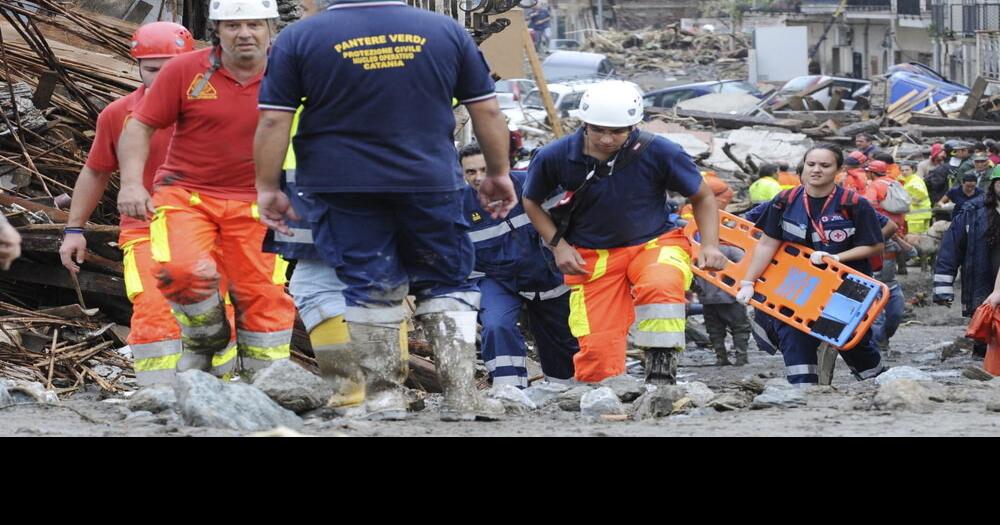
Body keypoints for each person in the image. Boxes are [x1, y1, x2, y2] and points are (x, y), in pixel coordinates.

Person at [253, 0, 514, 421]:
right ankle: (462, 396)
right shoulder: (445, 31)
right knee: (447, 279)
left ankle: (384, 396)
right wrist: (499, 171)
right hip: (428, 181)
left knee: (367, 281)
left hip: (342, 185)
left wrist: (267, 186)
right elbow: (487, 109)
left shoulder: (300, 38)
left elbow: (272, 121)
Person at [118, 0, 296, 379]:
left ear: (270, 28)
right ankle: (205, 334)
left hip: (259, 202)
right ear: (216, 29)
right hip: (187, 195)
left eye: (254, 24)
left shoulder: (292, 70)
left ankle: (266, 384)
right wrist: (132, 184)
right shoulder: (185, 71)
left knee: (261, 293)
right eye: (233, 26)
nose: (244, 33)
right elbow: (139, 126)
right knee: (179, 271)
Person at [58, 22, 240, 386]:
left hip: (209, 227)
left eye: (170, 67)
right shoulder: (118, 115)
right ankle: (159, 396)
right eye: (152, 68)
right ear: (137, 66)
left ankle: (221, 391)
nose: (161, 77)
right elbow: (95, 172)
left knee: (215, 309)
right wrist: (74, 229)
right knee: (155, 310)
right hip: (146, 230)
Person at [522, 80, 728, 386]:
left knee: (662, 284)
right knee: (598, 355)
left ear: (633, 126)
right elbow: (531, 200)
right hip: (594, 257)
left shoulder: (660, 152)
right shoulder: (555, 155)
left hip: (655, 243)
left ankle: (661, 373)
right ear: (584, 124)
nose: (607, 139)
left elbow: (702, 196)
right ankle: (604, 396)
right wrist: (559, 246)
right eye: (598, 130)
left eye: (617, 131)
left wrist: (710, 245)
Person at [736, 144, 886, 385]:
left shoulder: (854, 204)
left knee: (850, 340)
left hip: (847, 285)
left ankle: (878, 383)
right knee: (793, 334)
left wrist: (838, 258)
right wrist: (748, 282)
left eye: (825, 165)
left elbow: (874, 245)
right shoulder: (785, 200)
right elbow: (767, 243)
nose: (816, 170)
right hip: (797, 283)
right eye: (811, 164)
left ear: (838, 170)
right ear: (803, 167)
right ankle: (803, 390)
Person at [459, 143, 578, 387]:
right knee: (496, 325)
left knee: (563, 346)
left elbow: (574, 219)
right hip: (497, 279)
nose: (479, 178)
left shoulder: (532, 185)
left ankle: (563, 392)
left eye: (485, 169)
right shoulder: (459, 207)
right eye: (471, 172)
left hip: (549, 278)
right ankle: (509, 391)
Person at [935, 170, 1000, 359]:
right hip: (982, 280)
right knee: (984, 332)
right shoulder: (972, 212)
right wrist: (943, 287)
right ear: (992, 184)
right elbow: (951, 247)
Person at [692, 245, 749, 366]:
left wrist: (699, 290)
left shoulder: (697, 251)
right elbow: (746, 268)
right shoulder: (732, 250)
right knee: (740, 329)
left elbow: (690, 274)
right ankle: (741, 358)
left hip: (707, 300)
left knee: (715, 331)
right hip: (731, 298)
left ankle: (721, 358)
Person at [900, 160, 932, 235]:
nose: (904, 172)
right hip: (922, 214)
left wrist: (913, 201)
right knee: (923, 238)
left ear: (913, 170)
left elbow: (921, 193)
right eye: (902, 170)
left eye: (907, 170)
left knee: (915, 238)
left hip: (916, 216)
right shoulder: (913, 179)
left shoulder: (913, 181)